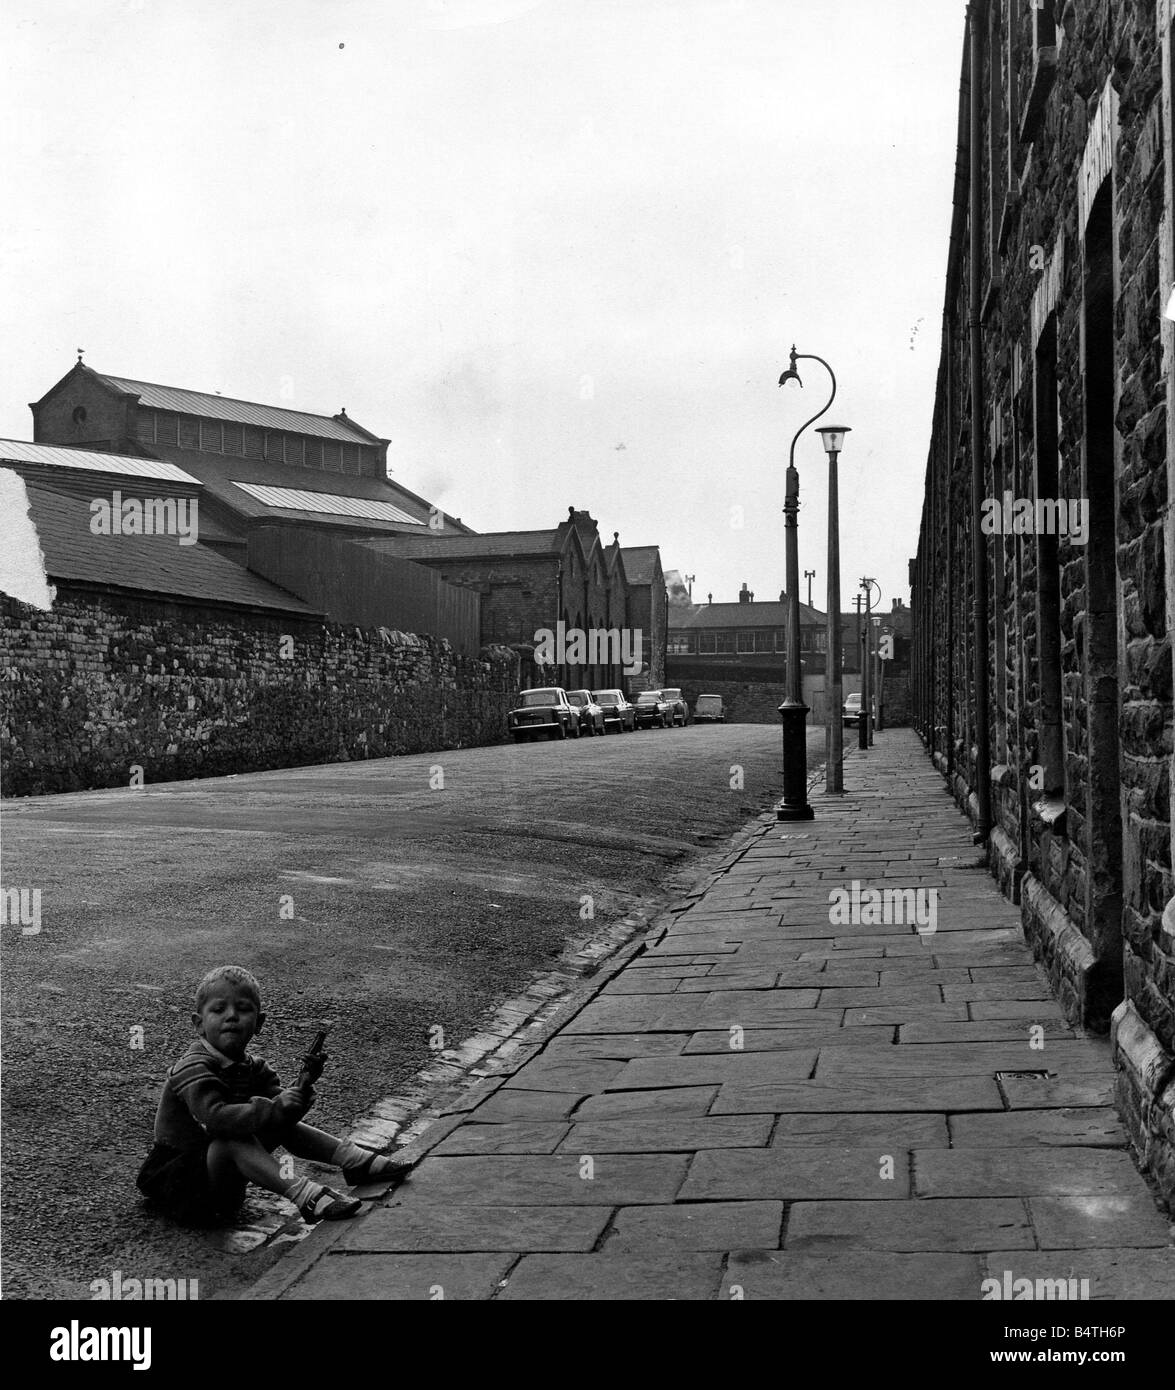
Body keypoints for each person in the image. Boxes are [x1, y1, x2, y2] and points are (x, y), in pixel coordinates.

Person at [137, 965, 408, 1226]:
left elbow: (281, 1114)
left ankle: (354, 1160)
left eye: (243, 1009)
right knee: (232, 1138)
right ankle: (305, 1195)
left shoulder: (253, 1067)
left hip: (219, 1183)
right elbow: (216, 1119)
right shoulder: (193, 1065)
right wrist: (277, 1107)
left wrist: (302, 1085)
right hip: (181, 1185)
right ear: (199, 1024)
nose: (231, 1016)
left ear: (259, 1023)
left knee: (279, 1122)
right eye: (218, 1009)